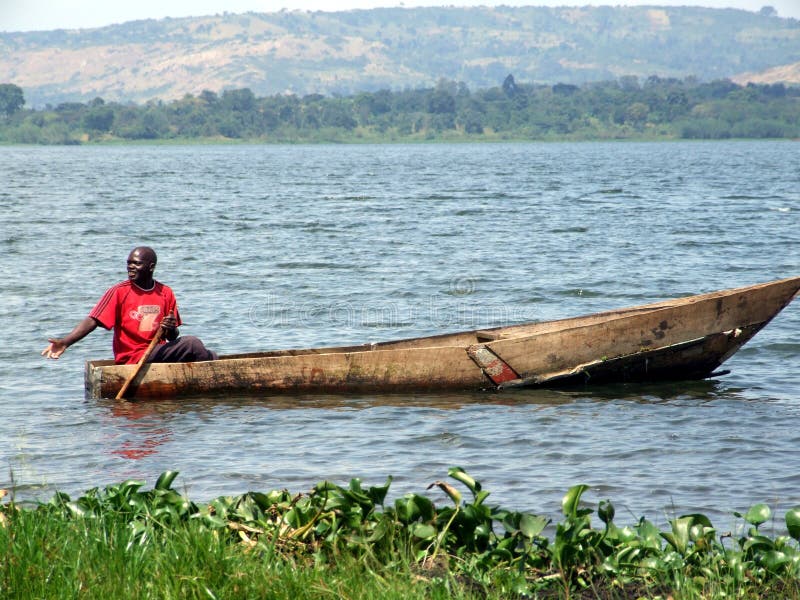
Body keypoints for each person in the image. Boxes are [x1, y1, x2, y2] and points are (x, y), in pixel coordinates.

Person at [42, 246, 218, 364]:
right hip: (133, 357)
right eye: (129, 264)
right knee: (193, 344)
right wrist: (65, 342)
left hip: (157, 352)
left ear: (150, 267)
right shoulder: (119, 291)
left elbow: (172, 337)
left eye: (136, 264)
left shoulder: (165, 293)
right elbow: (93, 320)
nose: (130, 268)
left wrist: (170, 328)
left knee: (206, 353)